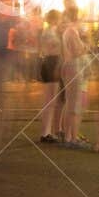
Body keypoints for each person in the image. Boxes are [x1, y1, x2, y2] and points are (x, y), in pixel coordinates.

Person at [59, 6, 90, 147]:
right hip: (74, 67)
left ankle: (68, 136)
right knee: (75, 105)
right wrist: (86, 46)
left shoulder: (67, 31)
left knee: (70, 103)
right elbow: (78, 51)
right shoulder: (72, 31)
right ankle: (73, 138)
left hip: (68, 66)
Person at [38, 10, 64, 143]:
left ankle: (47, 131)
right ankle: (46, 133)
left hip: (50, 62)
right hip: (51, 63)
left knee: (51, 100)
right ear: (55, 19)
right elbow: (54, 49)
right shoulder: (50, 32)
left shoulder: (48, 31)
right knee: (50, 101)